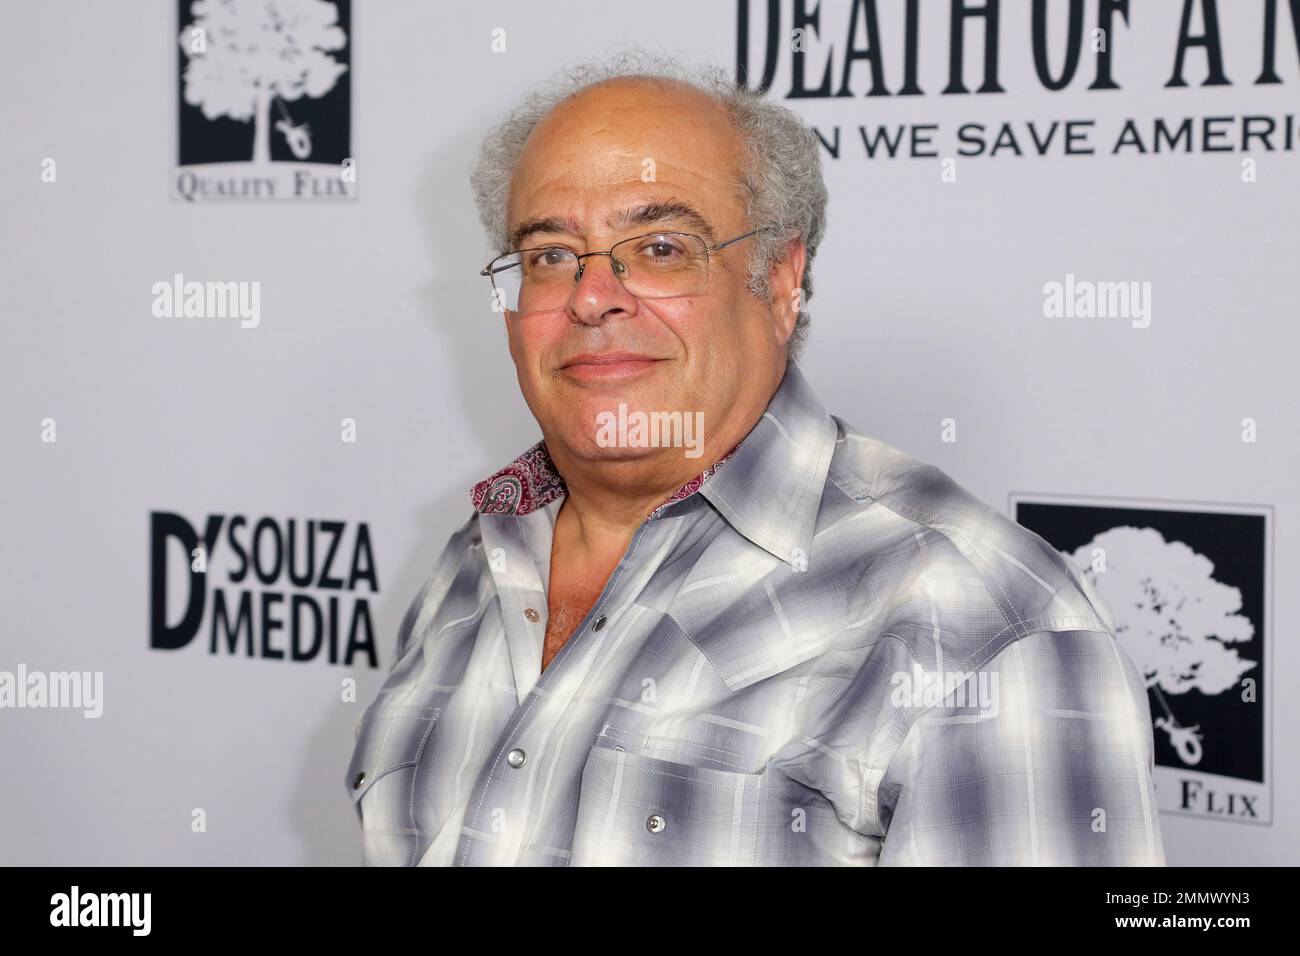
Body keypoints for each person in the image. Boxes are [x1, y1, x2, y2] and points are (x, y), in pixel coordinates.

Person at [346, 50, 1164, 866]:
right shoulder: (478, 557)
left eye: (661, 246)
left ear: (778, 284)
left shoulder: (980, 622)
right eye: (551, 255)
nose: (592, 297)